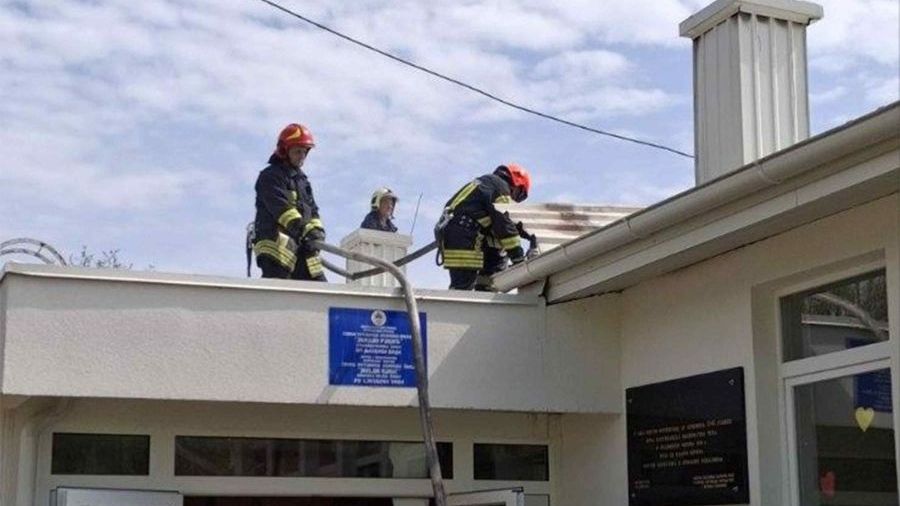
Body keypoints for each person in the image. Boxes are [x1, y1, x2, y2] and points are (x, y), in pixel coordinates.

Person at [436, 163, 532, 291]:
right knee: (463, 289)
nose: (515, 200)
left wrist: (531, 234)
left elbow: (511, 222)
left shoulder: (488, 184)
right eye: (519, 196)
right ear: (516, 184)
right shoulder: (500, 186)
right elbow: (504, 224)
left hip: (456, 232)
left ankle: (484, 286)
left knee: (464, 285)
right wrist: (518, 257)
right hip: (464, 234)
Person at [252, 123, 326, 281]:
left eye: (305, 152)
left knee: (320, 289)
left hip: (302, 246)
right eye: (297, 151)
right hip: (276, 245)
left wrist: (317, 233)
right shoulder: (270, 176)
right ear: (285, 151)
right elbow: (281, 208)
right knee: (280, 292)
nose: (302, 156)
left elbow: (312, 211)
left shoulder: (302, 181)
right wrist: (304, 230)